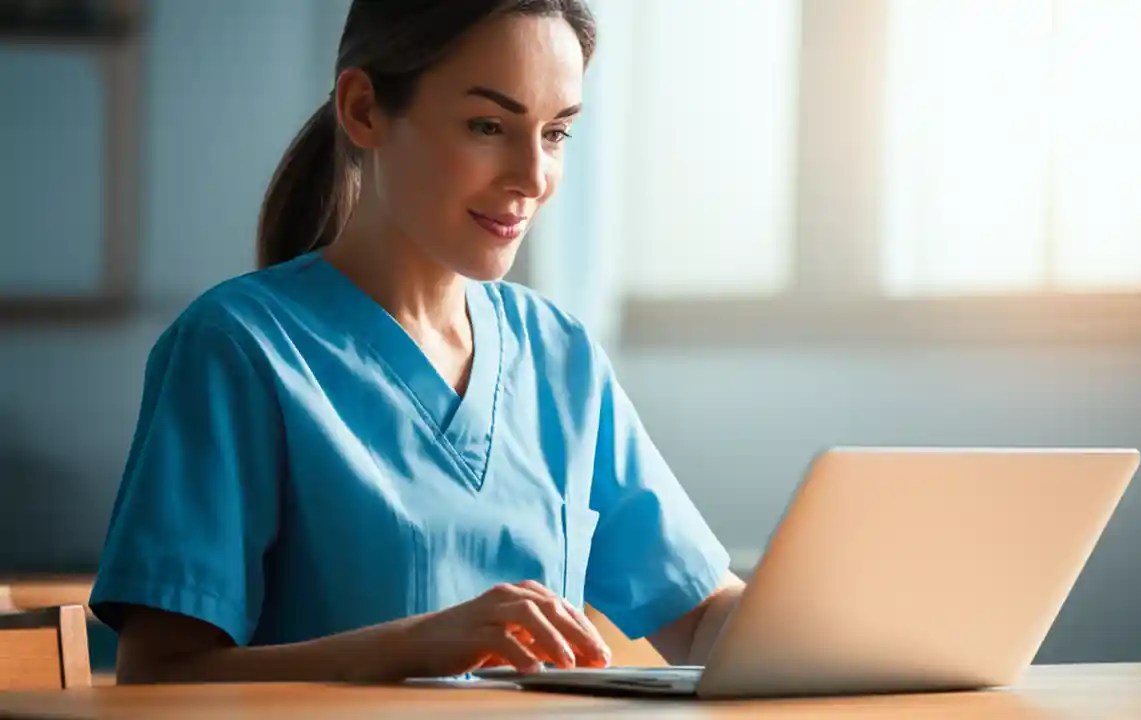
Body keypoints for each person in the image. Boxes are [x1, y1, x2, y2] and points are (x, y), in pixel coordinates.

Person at [88, 0, 743, 684]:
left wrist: (839, 630)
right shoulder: (238, 348)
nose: (533, 176)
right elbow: (159, 678)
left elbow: (700, 616)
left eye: (555, 134)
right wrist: (416, 645)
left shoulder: (560, 357)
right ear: (365, 109)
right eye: (489, 126)